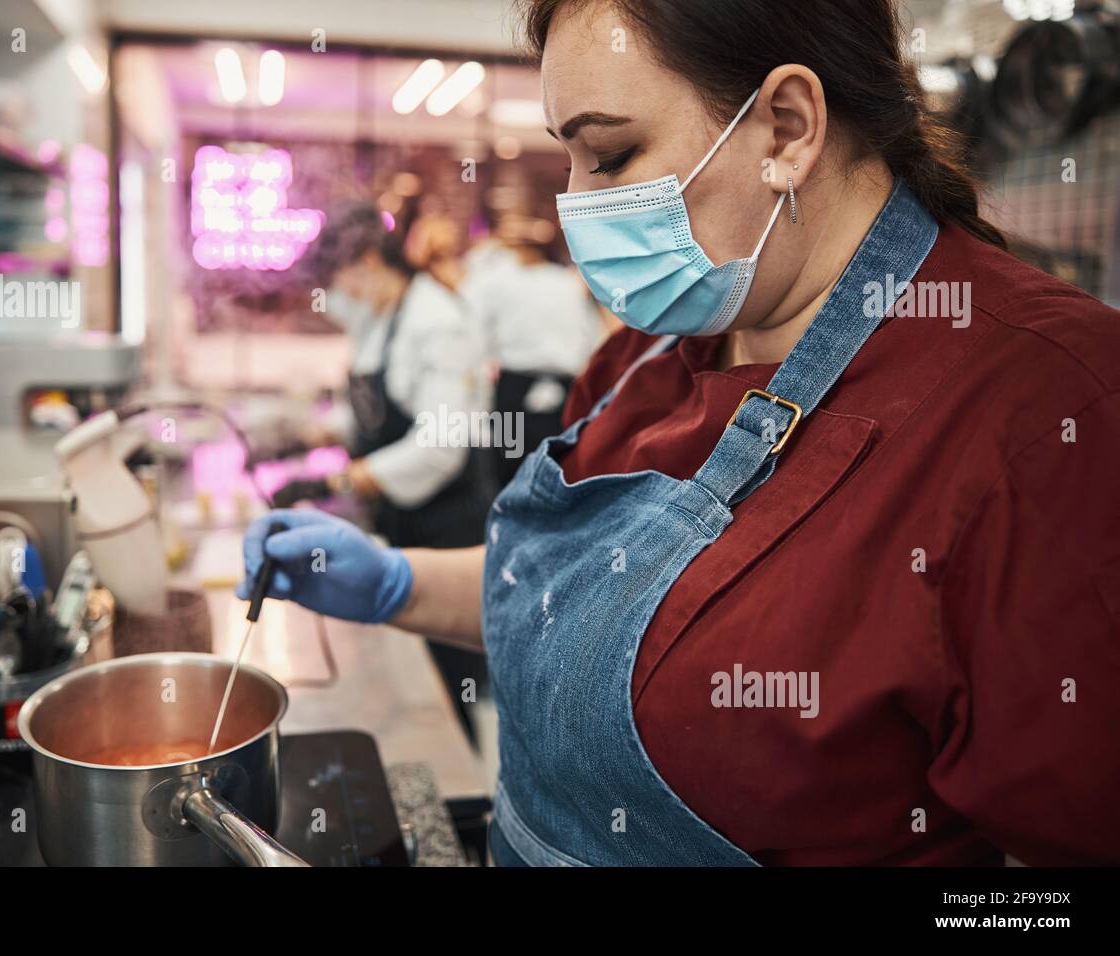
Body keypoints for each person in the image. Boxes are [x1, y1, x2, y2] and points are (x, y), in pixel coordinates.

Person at [240, 0, 1120, 866]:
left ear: (785, 128)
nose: (575, 206)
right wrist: (398, 584)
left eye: (611, 154)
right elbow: (602, 610)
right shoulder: (646, 357)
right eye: (571, 159)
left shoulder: (1051, 411)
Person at [305, 201, 493, 740]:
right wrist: (311, 431)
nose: (334, 294)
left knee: (445, 684)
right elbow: (371, 411)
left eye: (335, 278)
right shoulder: (381, 319)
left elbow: (438, 447)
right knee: (405, 670)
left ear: (366, 262)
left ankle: (457, 803)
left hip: (447, 526)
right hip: (402, 518)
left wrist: (337, 481)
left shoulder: (437, 321)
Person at [461, 215, 611, 485]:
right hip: (562, 390)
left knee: (508, 475)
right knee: (558, 470)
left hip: (516, 391)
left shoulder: (498, 282)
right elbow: (593, 342)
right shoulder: (567, 283)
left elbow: (472, 339)